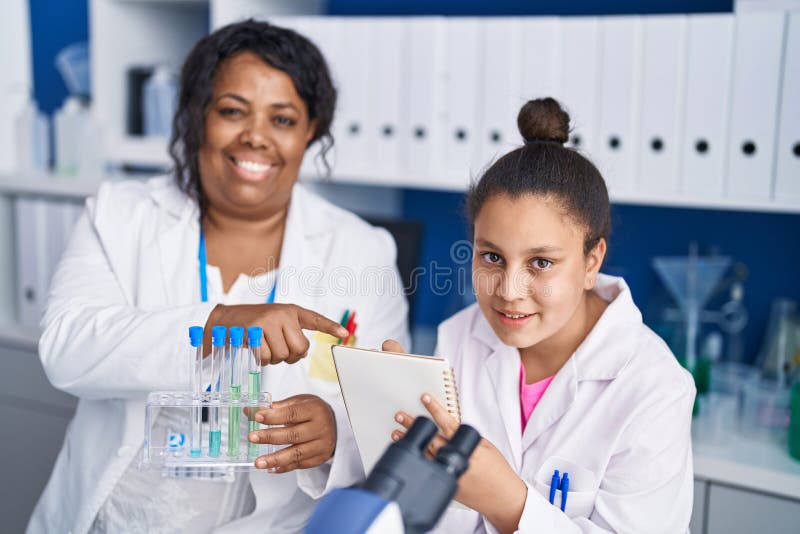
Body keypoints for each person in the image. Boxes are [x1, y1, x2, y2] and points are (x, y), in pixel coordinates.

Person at [28, 20, 409, 534]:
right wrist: (217, 321)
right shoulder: (120, 215)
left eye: (283, 118)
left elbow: (391, 417)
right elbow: (66, 347)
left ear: (311, 130)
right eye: (232, 111)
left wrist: (336, 433)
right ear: (196, 114)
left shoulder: (361, 250)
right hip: (116, 519)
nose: (255, 136)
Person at [384, 98, 695, 533]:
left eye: (541, 263)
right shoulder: (457, 338)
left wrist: (510, 503)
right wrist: (377, 416)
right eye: (491, 256)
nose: (509, 292)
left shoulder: (653, 387)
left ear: (591, 262)